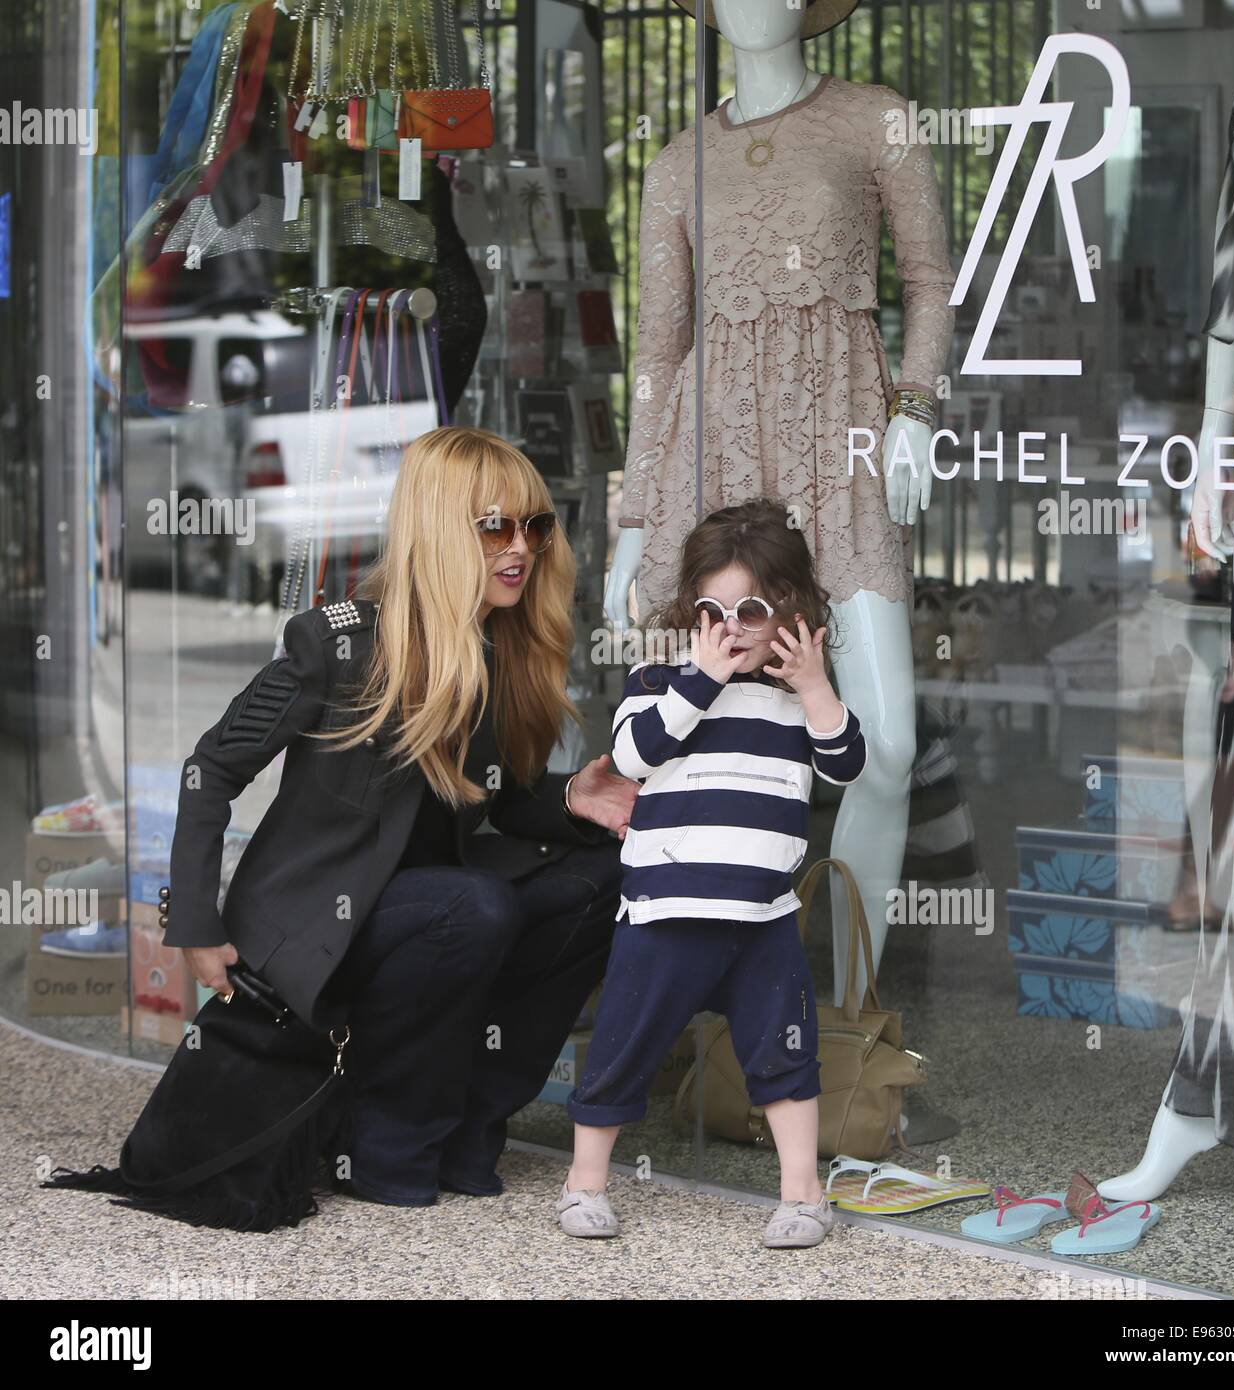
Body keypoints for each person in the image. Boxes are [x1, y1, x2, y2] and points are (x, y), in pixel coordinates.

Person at [165, 426, 637, 1207]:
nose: (521, 548)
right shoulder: (337, 646)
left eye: (535, 527)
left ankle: (470, 1124)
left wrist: (571, 799)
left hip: (427, 911)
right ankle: (385, 1138)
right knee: (471, 906)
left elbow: (502, 800)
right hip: (324, 924)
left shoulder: (500, 645)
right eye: (496, 527)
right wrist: (194, 922)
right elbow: (210, 766)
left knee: (603, 880)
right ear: (443, 531)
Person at [559, 499, 868, 1247]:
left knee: (785, 1056)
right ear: (689, 610)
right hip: (664, 912)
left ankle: (802, 1195)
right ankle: (584, 1183)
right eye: (711, 609)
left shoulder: (797, 702)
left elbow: (849, 763)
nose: (730, 628)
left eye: (752, 609)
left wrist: (817, 685)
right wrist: (695, 680)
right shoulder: (659, 680)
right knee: (622, 1048)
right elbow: (632, 757)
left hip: (762, 920)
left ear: (790, 606)